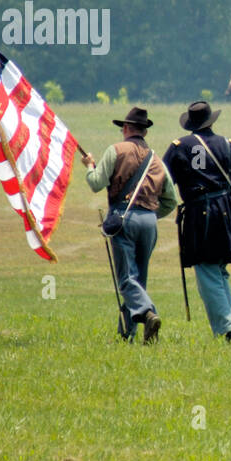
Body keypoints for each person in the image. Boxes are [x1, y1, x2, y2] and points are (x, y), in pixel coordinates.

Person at [163, 101, 231, 341]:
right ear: (211, 121)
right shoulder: (228, 145)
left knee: (207, 270)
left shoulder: (178, 147)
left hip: (198, 214)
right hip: (226, 212)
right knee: (218, 268)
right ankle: (230, 317)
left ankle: (227, 329)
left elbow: (164, 183)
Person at [83, 107, 177, 343]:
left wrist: (89, 165)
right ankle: (128, 334)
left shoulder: (115, 150)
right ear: (144, 131)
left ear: (126, 129)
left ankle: (148, 313)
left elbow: (96, 183)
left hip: (123, 219)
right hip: (149, 222)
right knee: (138, 280)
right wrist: (152, 216)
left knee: (126, 279)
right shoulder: (156, 159)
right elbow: (171, 200)